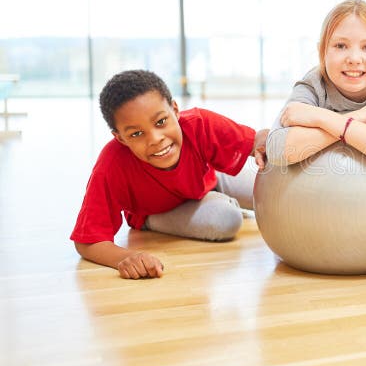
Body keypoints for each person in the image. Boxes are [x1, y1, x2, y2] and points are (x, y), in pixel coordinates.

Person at [71, 70, 268, 280]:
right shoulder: (111, 164)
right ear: (120, 138)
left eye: (161, 122)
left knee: (270, 186)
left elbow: (257, 139)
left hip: (209, 180)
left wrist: (265, 143)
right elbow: (87, 239)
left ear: (175, 110)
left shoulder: (198, 123)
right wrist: (124, 257)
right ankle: (151, 222)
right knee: (226, 218)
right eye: (136, 134)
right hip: (159, 211)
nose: (155, 139)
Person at [263, 0, 366, 171]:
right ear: (322, 52)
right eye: (340, 46)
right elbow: (277, 150)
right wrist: (363, 116)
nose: (354, 58)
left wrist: (318, 118)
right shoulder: (313, 85)